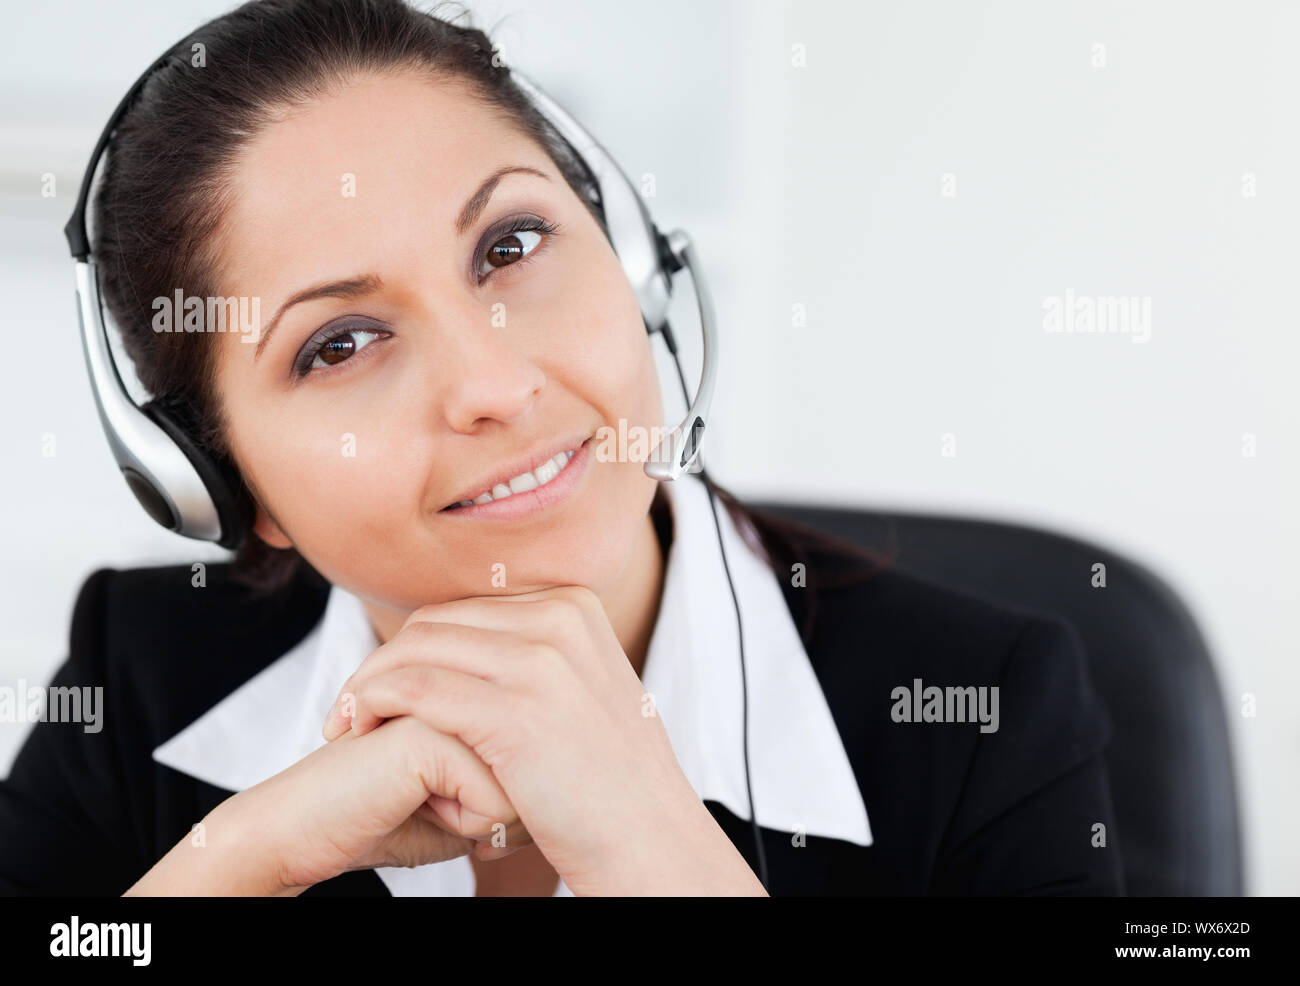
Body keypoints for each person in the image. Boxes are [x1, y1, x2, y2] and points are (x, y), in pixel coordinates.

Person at [0, 0, 1124, 896]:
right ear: (221, 485)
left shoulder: (981, 703)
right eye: (339, 343)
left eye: (511, 243)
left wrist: (663, 860)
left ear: (634, 262)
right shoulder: (141, 677)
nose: (494, 384)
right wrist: (240, 862)